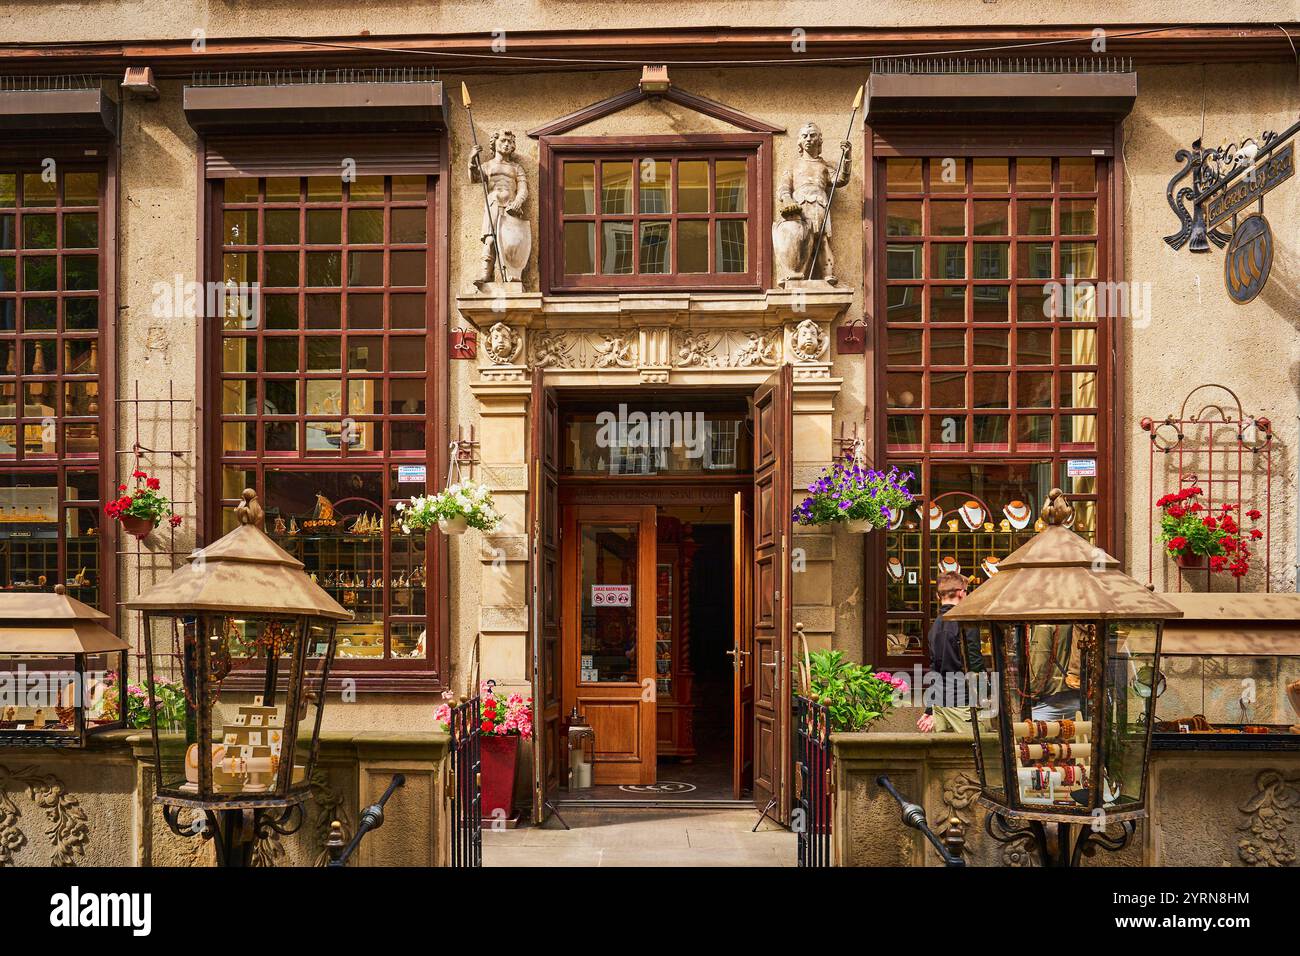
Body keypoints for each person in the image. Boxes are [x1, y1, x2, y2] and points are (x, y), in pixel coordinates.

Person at [917, 571, 986, 735]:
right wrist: (987, 694)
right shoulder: (965, 624)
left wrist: (930, 708)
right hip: (963, 702)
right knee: (983, 754)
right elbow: (974, 663)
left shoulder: (934, 628)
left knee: (946, 757)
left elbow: (935, 670)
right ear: (962, 593)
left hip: (941, 703)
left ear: (938, 595)